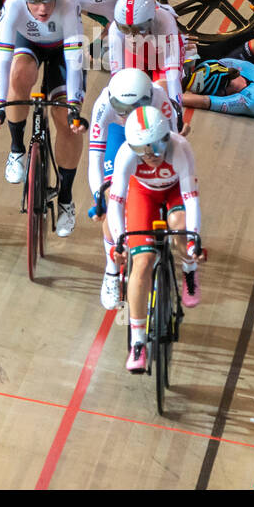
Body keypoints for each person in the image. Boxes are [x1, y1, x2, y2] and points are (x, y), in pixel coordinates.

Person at [0, 0, 88, 236]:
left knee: (66, 121)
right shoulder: (14, 4)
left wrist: (75, 107)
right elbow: (2, 62)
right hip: (28, 45)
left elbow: (75, 59)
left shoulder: (67, 2)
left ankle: (65, 198)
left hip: (63, 52)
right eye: (34, 0)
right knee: (18, 76)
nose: (42, 8)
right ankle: (17, 149)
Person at [107, 106, 204, 374]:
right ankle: (138, 343)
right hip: (143, 195)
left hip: (175, 191)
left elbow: (191, 200)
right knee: (142, 263)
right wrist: (119, 242)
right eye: (141, 150)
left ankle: (189, 270)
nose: (149, 156)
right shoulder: (127, 154)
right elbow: (116, 202)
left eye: (153, 148)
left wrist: (194, 242)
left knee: (179, 226)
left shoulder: (180, 148)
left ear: (165, 139)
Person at [85, 68, 179, 309]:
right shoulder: (104, 105)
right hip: (118, 138)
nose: (126, 115)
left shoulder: (160, 99)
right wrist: (99, 199)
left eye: (133, 109)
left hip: (151, 131)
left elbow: (174, 148)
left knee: (160, 180)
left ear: (148, 99)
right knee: (110, 196)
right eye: (121, 110)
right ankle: (112, 271)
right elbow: (94, 159)